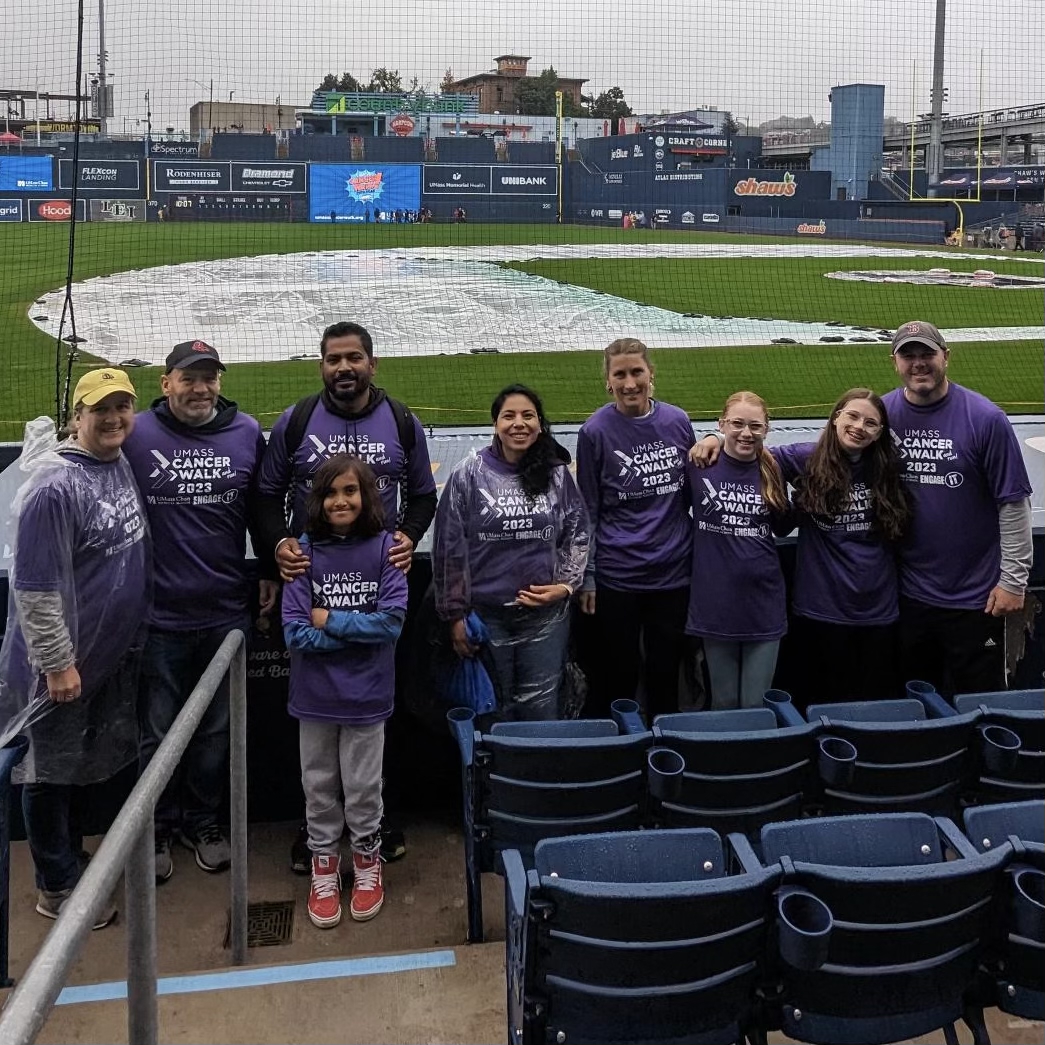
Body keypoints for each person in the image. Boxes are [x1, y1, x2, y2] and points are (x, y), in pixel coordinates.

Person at [257, 320, 436, 872]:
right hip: (315, 575)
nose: (344, 368)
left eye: (354, 358)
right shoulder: (298, 419)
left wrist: (407, 536)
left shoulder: (402, 421)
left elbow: (425, 498)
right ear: (321, 366)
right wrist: (278, 548)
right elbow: (264, 496)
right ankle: (317, 839)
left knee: (387, 710)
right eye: (334, 359)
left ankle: (376, 828)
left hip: (379, 578)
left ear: (372, 364)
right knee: (315, 722)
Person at [122, 340, 277, 882]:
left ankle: (202, 823)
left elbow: (261, 510)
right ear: (166, 384)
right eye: (188, 378)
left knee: (214, 733)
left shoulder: (245, 433)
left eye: (209, 377)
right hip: (158, 615)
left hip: (223, 613)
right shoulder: (136, 432)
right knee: (157, 733)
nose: (199, 388)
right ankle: (156, 827)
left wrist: (267, 571)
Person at [0, 369, 150, 927]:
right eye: (100, 409)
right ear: (76, 416)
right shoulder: (53, 486)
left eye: (122, 407)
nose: (113, 418)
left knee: (78, 768)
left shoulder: (116, 462)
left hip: (104, 660)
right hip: (61, 671)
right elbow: (35, 589)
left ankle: (72, 863)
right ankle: (57, 886)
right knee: (48, 775)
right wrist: (58, 664)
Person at [691, 389, 911, 704]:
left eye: (871, 423)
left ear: (879, 433)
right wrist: (713, 436)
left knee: (871, 699)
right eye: (852, 416)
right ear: (836, 417)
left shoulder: (887, 468)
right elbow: (752, 450)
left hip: (877, 607)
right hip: (820, 607)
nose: (859, 426)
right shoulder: (807, 457)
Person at [282, 455, 408, 928]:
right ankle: (324, 865)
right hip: (314, 697)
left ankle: (368, 862)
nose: (341, 500)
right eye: (331, 492)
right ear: (318, 499)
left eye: (350, 491)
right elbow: (295, 634)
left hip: (367, 696)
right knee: (318, 788)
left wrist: (329, 619)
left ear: (366, 496)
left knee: (362, 789)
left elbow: (391, 624)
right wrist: (355, 628)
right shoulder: (302, 553)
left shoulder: (386, 550)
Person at [884, 321, 1032, 696]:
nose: (919, 364)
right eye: (909, 355)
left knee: (981, 703)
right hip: (908, 596)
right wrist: (715, 441)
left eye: (927, 354)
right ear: (895, 363)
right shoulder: (882, 415)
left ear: (946, 357)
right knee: (916, 701)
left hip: (976, 599)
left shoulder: (985, 419)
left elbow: (1013, 502)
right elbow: (829, 454)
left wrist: (1013, 581)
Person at [433, 385, 590, 721]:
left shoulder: (556, 474)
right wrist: (455, 615)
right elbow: (449, 547)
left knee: (542, 707)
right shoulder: (469, 474)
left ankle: (536, 770)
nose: (519, 423)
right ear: (495, 424)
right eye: (509, 415)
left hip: (545, 616)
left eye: (528, 415)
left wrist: (565, 585)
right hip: (487, 616)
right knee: (492, 708)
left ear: (540, 423)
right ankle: (496, 773)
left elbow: (576, 532)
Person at [575, 338, 694, 719]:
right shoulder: (594, 432)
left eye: (636, 372)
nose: (630, 383)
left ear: (651, 373)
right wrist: (589, 576)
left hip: (672, 575)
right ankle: (623, 753)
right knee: (619, 676)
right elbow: (588, 508)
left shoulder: (677, 421)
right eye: (620, 374)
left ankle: (665, 751)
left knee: (665, 674)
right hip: (618, 577)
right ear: (607, 381)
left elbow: (692, 490)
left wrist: (718, 437)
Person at [685, 391, 791, 709]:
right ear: (722, 424)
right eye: (736, 424)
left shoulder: (774, 468)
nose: (746, 433)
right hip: (715, 602)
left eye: (755, 426)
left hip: (763, 603)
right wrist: (712, 438)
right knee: (724, 701)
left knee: (755, 703)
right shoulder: (699, 464)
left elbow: (783, 525)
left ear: (767, 429)